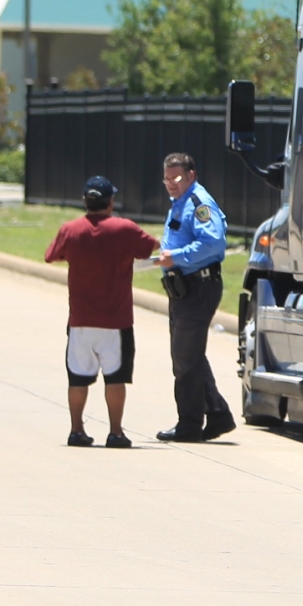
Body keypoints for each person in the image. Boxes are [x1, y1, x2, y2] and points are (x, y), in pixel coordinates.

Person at [43, 175, 158, 448]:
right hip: (116, 321)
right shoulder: (124, 229)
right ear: (111, 202)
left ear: (85, 201)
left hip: (80, 321)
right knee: (115, 377)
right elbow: (151, 246)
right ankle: (115, 432)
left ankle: (76, 431)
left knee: (77, 378)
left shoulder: (70, 229)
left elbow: (51, 255)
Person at [154, 152, 237, 443]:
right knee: (189, 354)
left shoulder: (198, 203)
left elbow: (213, 243)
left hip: (199, 286)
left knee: (185, 358)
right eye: (166, 179)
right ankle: (217, 413)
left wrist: (175, 257)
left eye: (176, 178)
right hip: (182, 288)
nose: (170, 183)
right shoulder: (179, 202)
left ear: (191, 175)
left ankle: (189, 425)